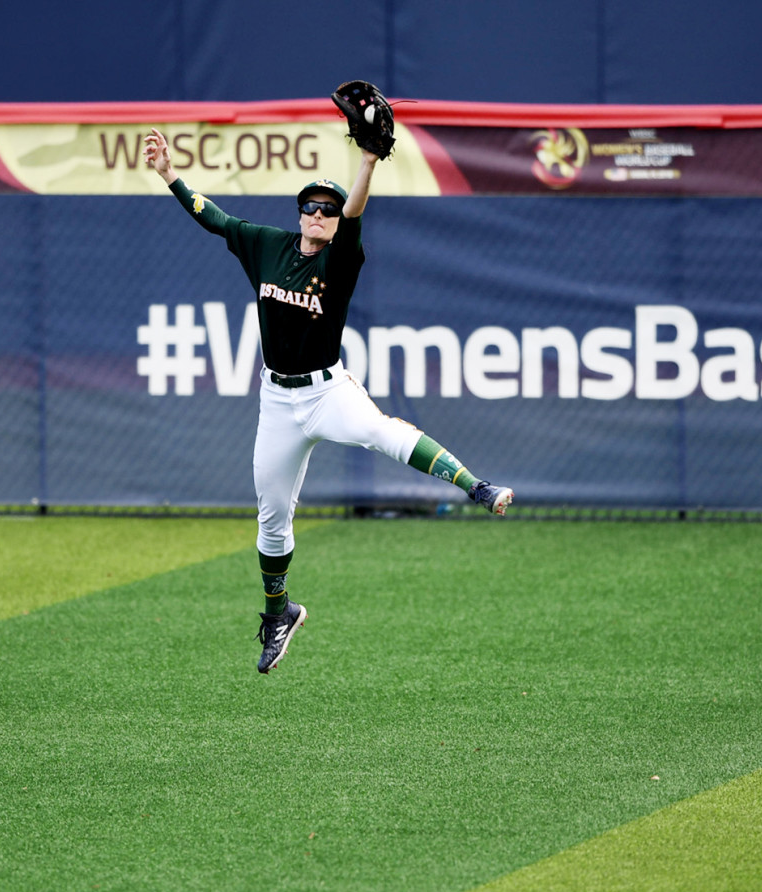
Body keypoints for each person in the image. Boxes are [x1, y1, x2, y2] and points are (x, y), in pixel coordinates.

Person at [142, 128, 514, 674]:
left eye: (329, 210)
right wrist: (169, 174)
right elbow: (213, 217)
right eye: (312, 207)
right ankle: (278, 615)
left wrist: (367, 163)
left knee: (383, 432)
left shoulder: (339, 261)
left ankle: (476, 486)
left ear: (338, 222)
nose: (320, 214)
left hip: (327, 391)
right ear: (299, 213)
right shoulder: (266, 244)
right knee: (272, 519)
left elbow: (358, 210)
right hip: (277, 399)